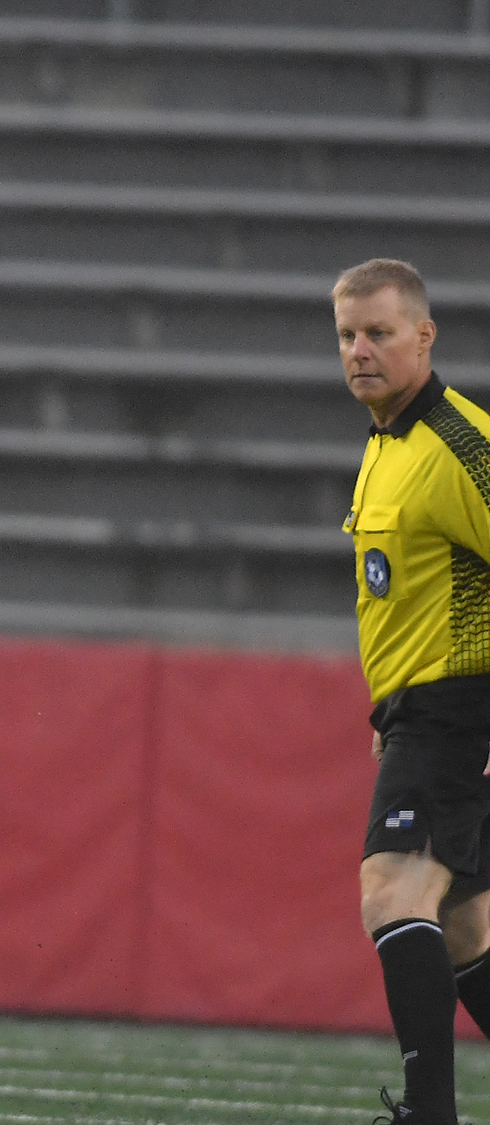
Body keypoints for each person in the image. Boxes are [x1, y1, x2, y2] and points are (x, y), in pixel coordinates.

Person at [340, 258, 490, 1125]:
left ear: (424, 336)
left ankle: (428, 1116)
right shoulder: (385, 439)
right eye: (348, 336)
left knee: (393, 891)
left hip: (460, 708)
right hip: (419, 710)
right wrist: (390, 701)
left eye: (380, 333)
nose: (361, 350)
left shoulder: (457, 444)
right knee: (465, 928)